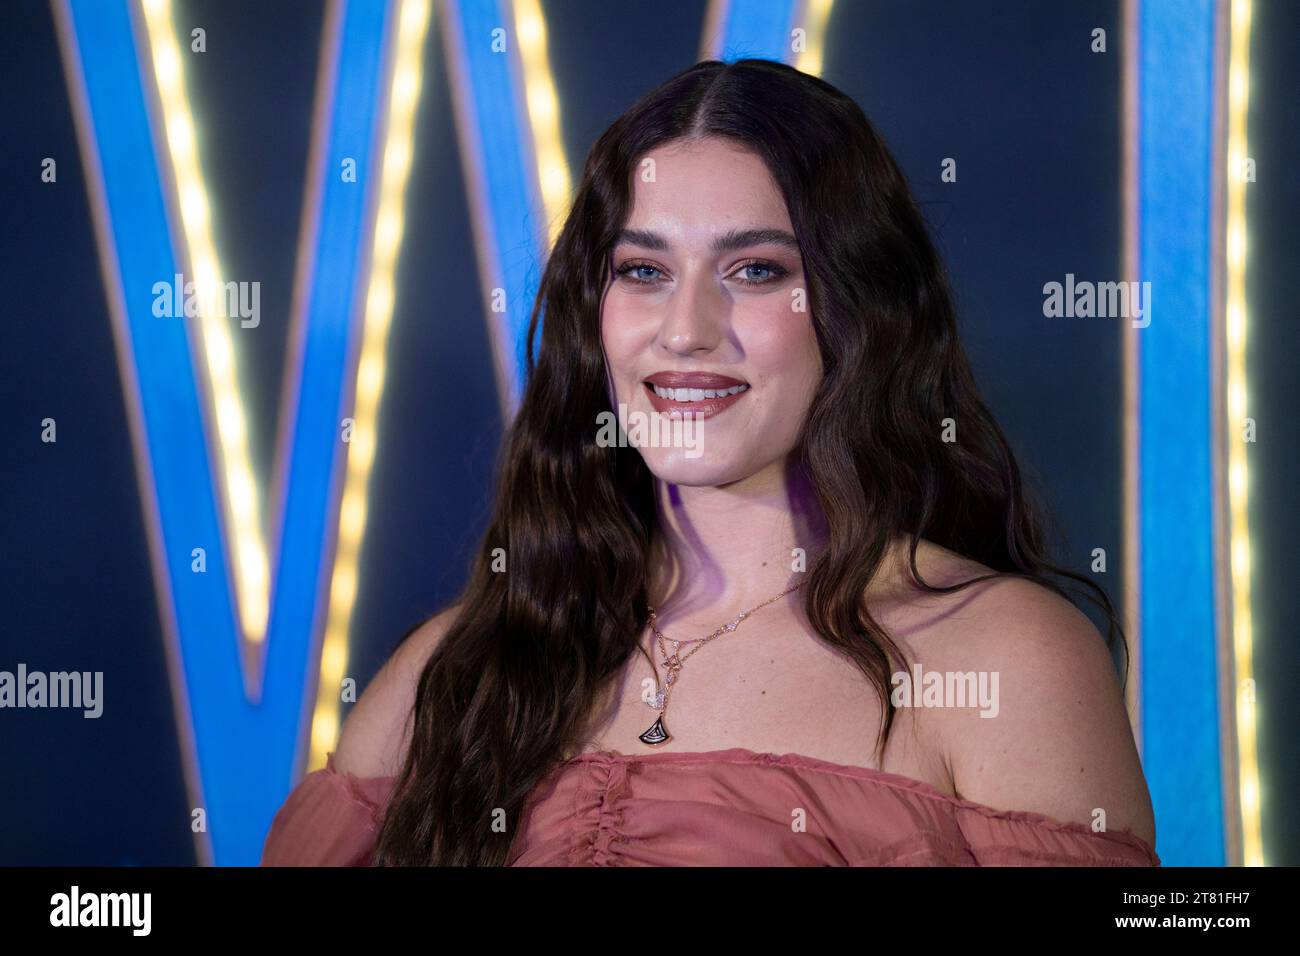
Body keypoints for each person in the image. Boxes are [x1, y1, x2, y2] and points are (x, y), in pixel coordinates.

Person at [262, 58, 1158, 867]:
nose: (685, 330)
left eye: (756, 270)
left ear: (859, 307)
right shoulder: (458, 666)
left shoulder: (1003, 659)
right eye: (643, 272)